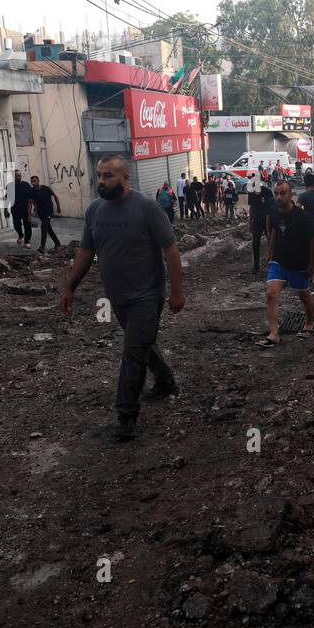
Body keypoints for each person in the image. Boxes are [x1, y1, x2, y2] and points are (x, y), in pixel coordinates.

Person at [60, 155, 184, 442]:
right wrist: (70, 287)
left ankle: (126, 415)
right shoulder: (94, 211)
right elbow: (85, 253)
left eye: (109, 176)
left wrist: (177, 291)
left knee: (132, 352)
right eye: (100, 176)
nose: (102, 181)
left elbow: (171, 250)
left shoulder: (147, 208)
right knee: (139, 343)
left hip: (147, 296)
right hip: (118, 297)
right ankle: (165, 382)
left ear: (126, 177)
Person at [257, 180, 314, 348]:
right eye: (276, 193)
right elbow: (274, 228)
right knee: (271, 293)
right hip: (279, 261)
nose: (278, 197)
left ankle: (310, 321)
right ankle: (274, 334)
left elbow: (313, 241)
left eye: (282, 193)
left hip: (299, 264)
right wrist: (270, 251)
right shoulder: (274, 211)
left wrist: (312, 265)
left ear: (291, 195)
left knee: (304, 297)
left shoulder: (302, 216)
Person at [247, 170, 272, 274]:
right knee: (255, 242)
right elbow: (252, 208)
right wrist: (249, 223)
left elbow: (273, 206)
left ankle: (273, 264)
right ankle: (256, 266)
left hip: (268, 220)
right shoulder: (251, 193)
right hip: (256, 221)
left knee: (271, 241)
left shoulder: (267, 191)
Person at [31, 175, 62, 250]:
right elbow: (32, 200)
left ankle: (42, 246)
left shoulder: (46, 188)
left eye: (35, 181)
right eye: (32, 181)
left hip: (48, 211)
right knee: (48, 228)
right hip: (41, 212)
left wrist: (58, 207)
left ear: (38, 181)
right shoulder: (32, 191)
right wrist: (35, 208)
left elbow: (55, 197)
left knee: (43, 226)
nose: (33, 183)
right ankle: (57, 244)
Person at [10, 169, 33, 246]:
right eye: (16, 175)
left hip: (26, 210)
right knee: (16, 225)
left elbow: (31, 198)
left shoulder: (26, 185)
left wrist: (34, 208)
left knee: (27, 226)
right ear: (14, 176)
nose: (18, 177)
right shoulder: (10, 186)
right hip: (15, 210)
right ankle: (20, 235)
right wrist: (5, 210)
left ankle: (27, 241)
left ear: (21, 176)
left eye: (19, 175)